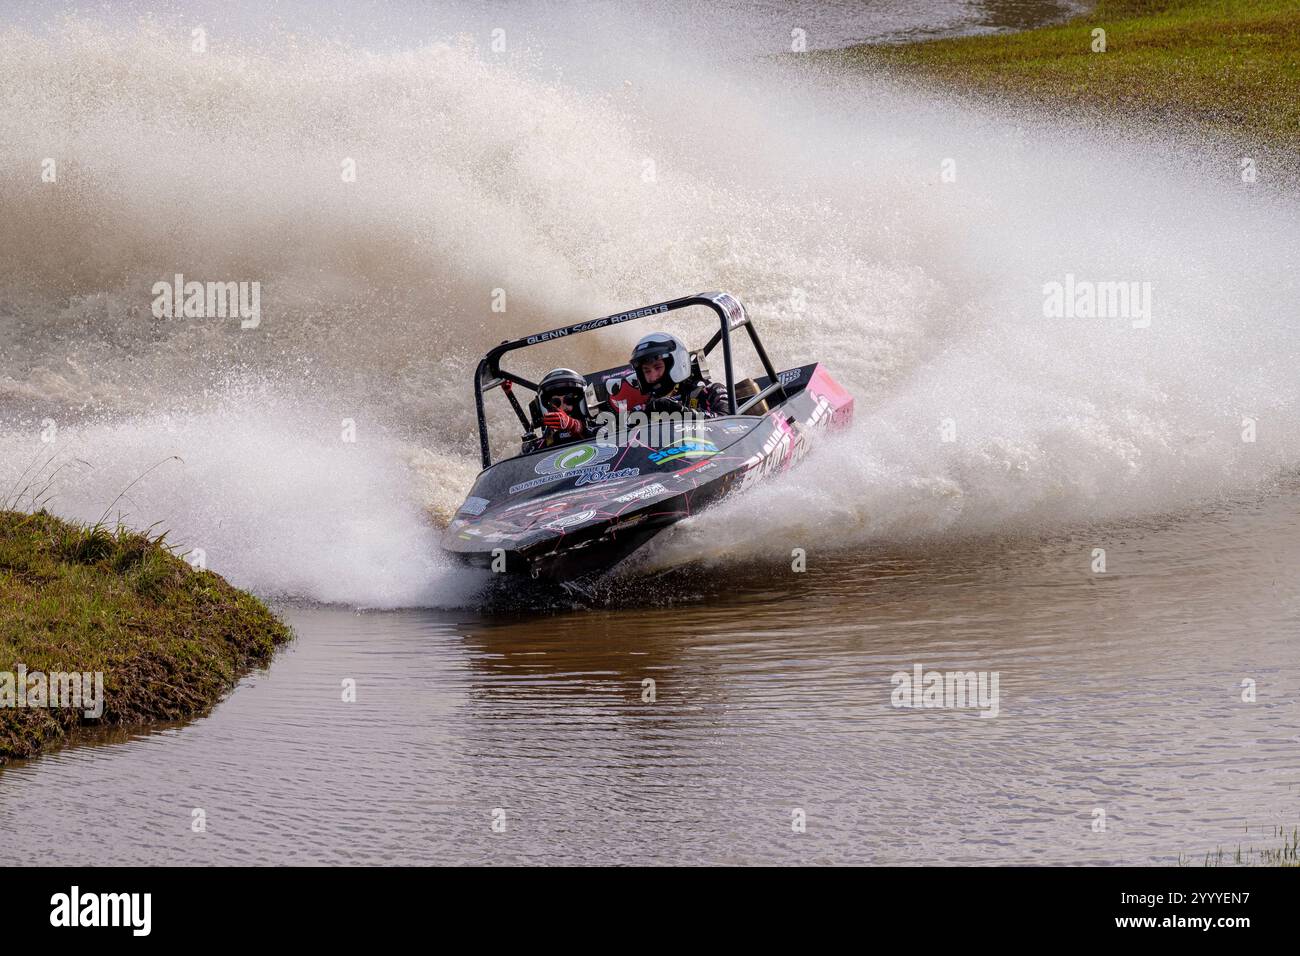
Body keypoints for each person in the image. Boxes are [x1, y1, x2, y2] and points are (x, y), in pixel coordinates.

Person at [628, 332, 730, 417]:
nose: (652, 377)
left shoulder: (711, 391)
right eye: (647, 371)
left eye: (657, 367)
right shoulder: (647, 404)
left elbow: (726, 422)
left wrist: (681, 411)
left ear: (675, 365)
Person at [522, 368, 594, 454]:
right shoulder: (538, 446)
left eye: (569, 400)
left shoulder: (601, 429)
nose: (563, 407)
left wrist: (572, 424)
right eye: (556, 402)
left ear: (580, 403)